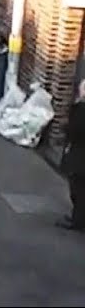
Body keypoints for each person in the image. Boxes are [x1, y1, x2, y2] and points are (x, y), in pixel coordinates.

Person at [60, 79, 85, 231]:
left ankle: (78, 220)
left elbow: (74, 130)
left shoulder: (81, 111)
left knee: (78, 190)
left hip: (80, 158)